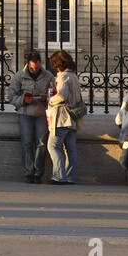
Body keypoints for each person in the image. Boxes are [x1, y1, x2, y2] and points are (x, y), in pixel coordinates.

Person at [7, 50, 54, 183]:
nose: (35, 70)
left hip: (41, 113)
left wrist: (47, 98)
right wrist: (23, 100)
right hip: (25, 113)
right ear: (28, 64)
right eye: (32, 67)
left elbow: (54, 94)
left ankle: (38, 173)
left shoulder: (48, 76)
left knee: (41, 144)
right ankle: (29, 172)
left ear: (40, 63)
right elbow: (11, 97)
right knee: (26, 143)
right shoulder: (19, 76)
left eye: (37, 67)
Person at [45, 50, 82, 184]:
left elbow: (61, 96)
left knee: (53, 146)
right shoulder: (74, 76)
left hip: (62, 118)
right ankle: (70, 176)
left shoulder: (63, 77)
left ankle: (59, 176)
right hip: (73, 118)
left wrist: (50, 100)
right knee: (70, 149)